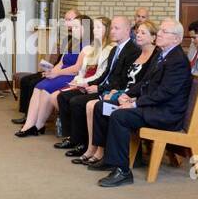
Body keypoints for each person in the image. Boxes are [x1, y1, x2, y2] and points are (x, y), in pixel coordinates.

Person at [96, 19, 191, 188]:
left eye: (164, 31)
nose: (159, 34)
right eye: (160, 30)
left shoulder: (177, 60)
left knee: (119, 116)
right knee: (104, 106)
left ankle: (123, 171)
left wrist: (135, 104)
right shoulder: (162, 55)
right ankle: (111, 158)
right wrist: (127, 95)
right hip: (154, 106)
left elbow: (165, 93)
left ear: (176, 39)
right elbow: (146, 82)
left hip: (166, 113)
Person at [78, 20, 157, 167]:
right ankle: (96, 150)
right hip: (125, 93)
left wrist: (126, 96)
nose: (138, 35)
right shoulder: (140, 53)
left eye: (143, 33)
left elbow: (146, 84)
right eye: (138, 32)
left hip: (136, 99)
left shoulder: (154, 56)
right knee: (98, 106)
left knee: (100, 107)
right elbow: (127, 79)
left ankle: (104, 154)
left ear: (153, 38)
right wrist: (117, 92)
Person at [56, 15, 138, 156]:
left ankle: (85, 144)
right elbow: (105, 74)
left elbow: (122, 80)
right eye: (111, 28)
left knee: (77, 102)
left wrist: (99, 88)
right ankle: (75, 139)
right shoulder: (116, 49)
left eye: (116, 28)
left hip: (115, 91)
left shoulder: (132, 50)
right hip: (104, 86)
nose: (112, 31)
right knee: (65, 96)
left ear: (127, 30)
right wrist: (88, 83)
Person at [34, 17, 114, 137]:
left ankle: (72, 132)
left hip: (91, 83)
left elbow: (98, 73)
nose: (95, 30)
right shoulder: (89, 47)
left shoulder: (108, 49)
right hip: (79, 79)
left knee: (59, 95)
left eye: (98, 27)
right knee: (46, 90)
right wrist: (55, 72)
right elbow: (80, 69)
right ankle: (66, 129)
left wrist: (81, 82)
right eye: (94, 28)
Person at [15, 14, 90, 137]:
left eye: (77, 27)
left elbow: (77, 68)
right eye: (73, 27)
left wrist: (57, 73)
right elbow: (61, 62)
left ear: (85, 28)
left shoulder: (87, 45)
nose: (73, 29)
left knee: (46, 90)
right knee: (38, 87)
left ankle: (39, 125)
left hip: (71, 76)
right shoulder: (71, 42)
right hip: (62, 73)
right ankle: (29, 124)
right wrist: (51, 72)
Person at [13, 8, 76, 123]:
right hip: (55, 68)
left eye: (69, 19)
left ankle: (32, 118)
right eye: (65, 20)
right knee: (26, 80)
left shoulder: (82, 41)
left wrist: (54, 72)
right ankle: (27, 114)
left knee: (33, 83)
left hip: (63, 73)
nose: (66, 23)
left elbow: (72, 65)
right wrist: (49, 68)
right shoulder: (67, 38)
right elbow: (60, 60)